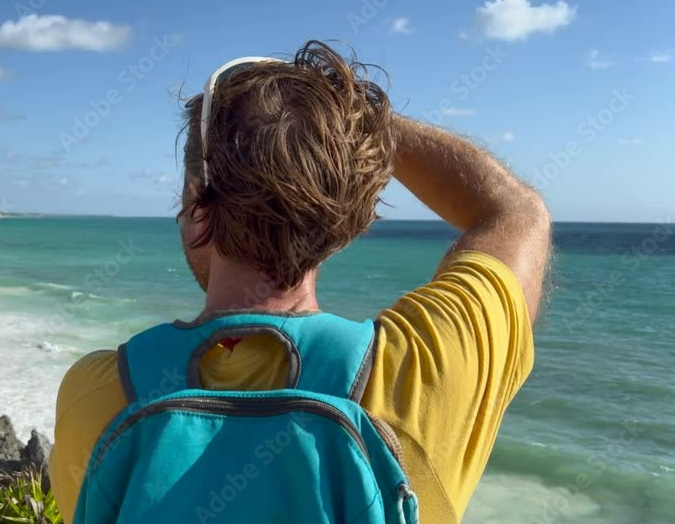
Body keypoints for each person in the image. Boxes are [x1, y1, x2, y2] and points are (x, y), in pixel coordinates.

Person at [49, 40, 551, 523]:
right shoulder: (427, 369)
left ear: (197, 209)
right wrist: (355, 129)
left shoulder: (97, 393)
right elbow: (514, 212)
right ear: (349, 219)